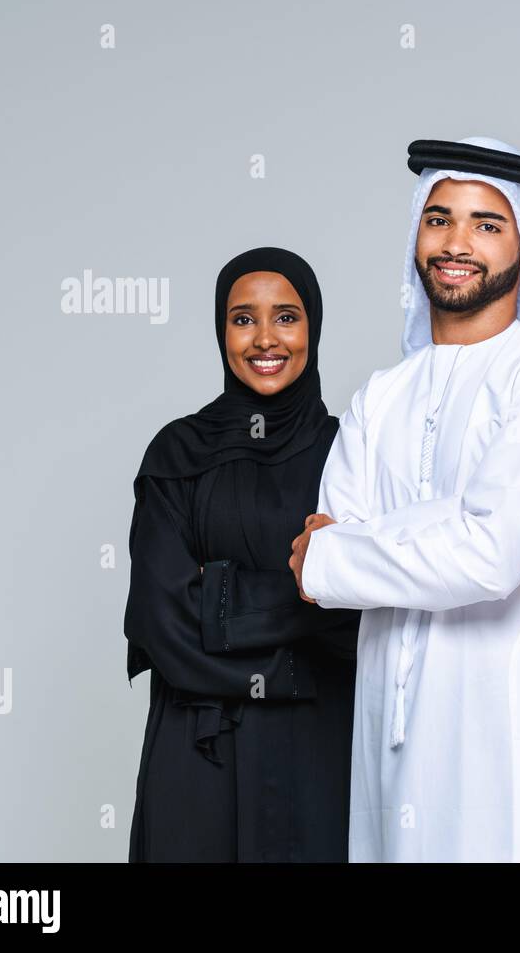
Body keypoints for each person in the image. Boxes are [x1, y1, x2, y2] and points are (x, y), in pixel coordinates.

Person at [289, 139, 520, 862]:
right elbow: (331, 576)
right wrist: (462, 533)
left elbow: (488, 556)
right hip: (386, 740)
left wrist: (348, 552)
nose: (457, 242)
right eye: (439, 219)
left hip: (505, 742)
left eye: (486, 224)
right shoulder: (379, 397)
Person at [124, 247, 359, 862]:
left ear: (313, 327)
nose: (263, 339)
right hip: (200, 750)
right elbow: (159, 617)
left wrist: (219, 595)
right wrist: (311, 589)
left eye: (286, 317)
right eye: (241, 318)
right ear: (220, 331)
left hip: (320, 750)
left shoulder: (352, 452)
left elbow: (369, 613)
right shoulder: (178, 453)